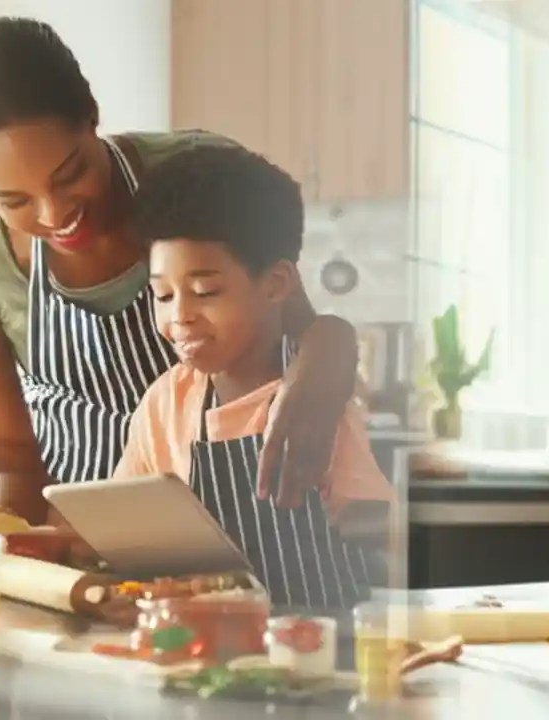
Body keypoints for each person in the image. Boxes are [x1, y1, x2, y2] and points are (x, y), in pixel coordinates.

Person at [0, 17, 359, 524]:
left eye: (71, 174)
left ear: (91, 114)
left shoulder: (201, 175)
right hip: (81, 537)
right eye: (13, 200)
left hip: (243, 526)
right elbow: (15, 469)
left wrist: (330, 356)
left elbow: (298, 327)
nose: (54, 214)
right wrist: (10, 549)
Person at [113, 144, 393, 608]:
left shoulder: (312, 403)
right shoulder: (167, 401)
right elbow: (124, 522)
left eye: (205, 291)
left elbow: (373, 525)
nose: (180, 315)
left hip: (316, 645)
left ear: (276, 285)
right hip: (205, 642)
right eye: (162, 295)